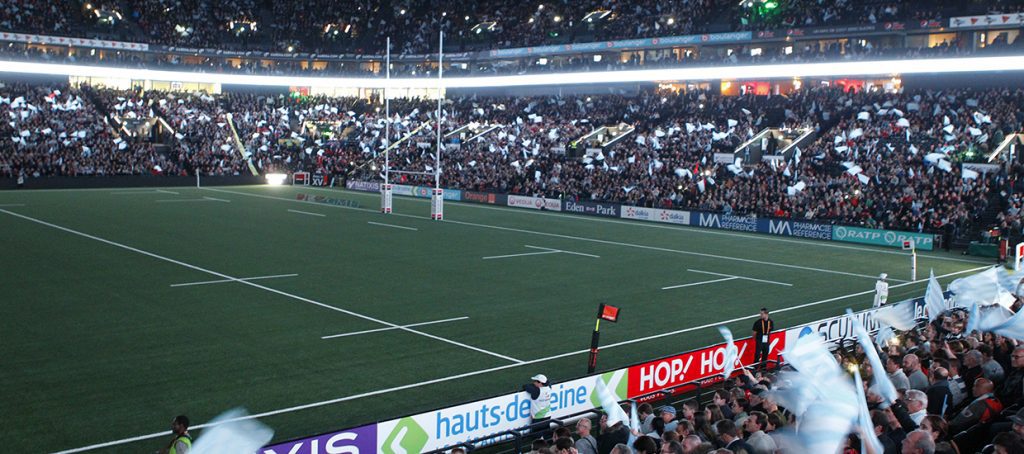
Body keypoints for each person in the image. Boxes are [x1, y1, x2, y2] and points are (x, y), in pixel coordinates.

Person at [525, 374, 553, 438]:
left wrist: (535, 386)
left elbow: (526, 386)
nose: (533, 382)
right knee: (547, 434)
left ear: (540, 383)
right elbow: (548, 382)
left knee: (536, 436)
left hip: (538, 417)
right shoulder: (549, 387)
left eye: (535, 381)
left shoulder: (537, 391)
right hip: (547, 414)